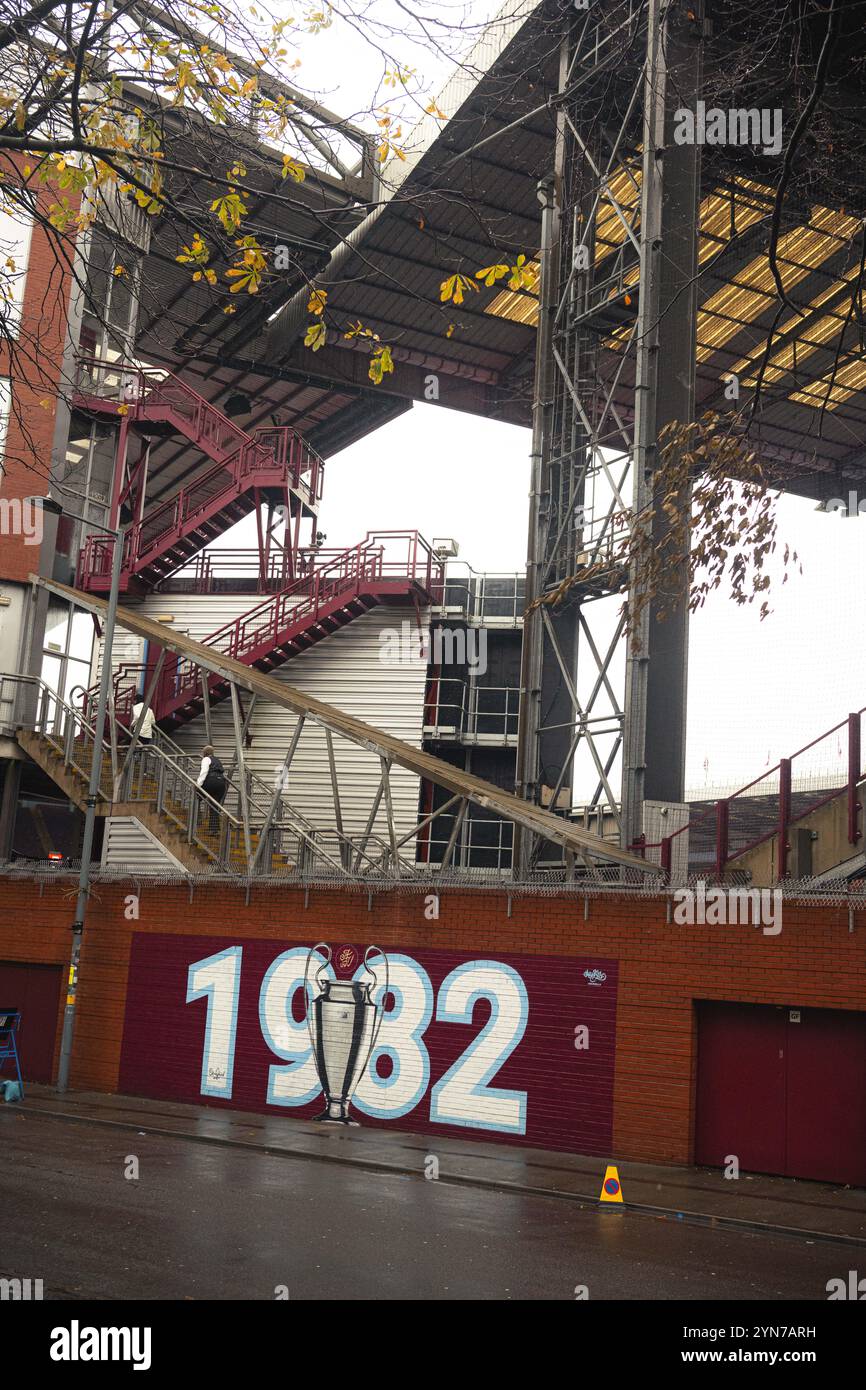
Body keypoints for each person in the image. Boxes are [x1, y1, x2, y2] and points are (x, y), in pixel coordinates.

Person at [196, 744, 227, 833]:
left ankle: (197, 820)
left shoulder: (206, 759)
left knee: (197, 796)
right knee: (214, 806)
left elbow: (204, 772)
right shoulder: (217, 760)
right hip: (221, 783)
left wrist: (198, 785)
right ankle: (214, 830)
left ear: (204, 753)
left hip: (211, 781)